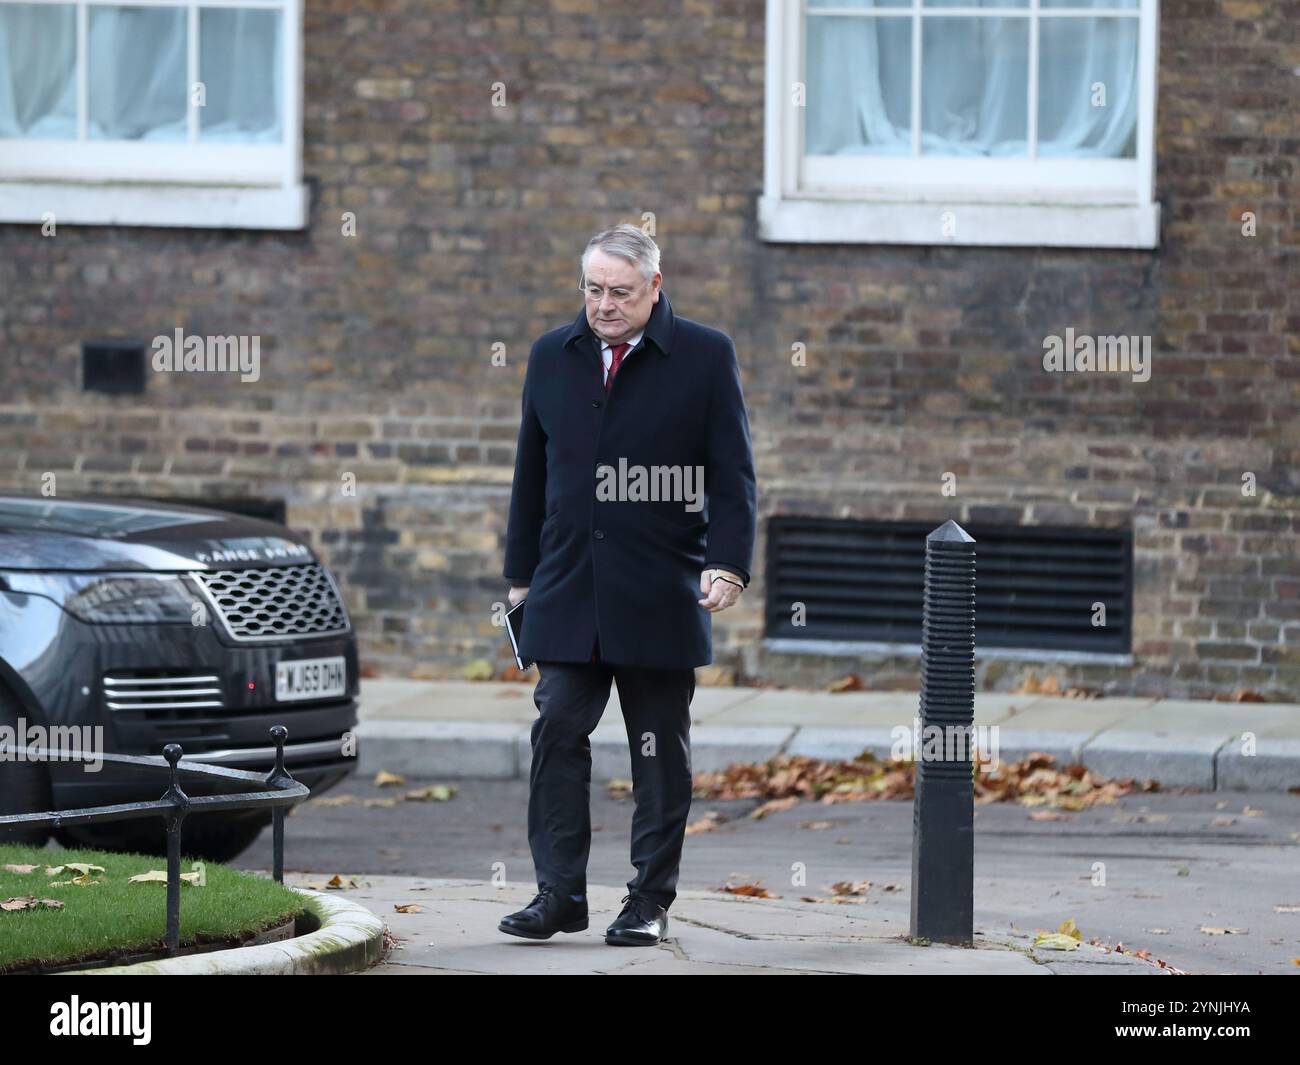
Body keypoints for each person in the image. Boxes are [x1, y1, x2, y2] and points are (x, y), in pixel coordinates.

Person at [499, 223, 757, 945]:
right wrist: (520, 578)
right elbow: (531, 473)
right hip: (567, 587)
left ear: (654, 287)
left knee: (656, 749)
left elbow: (733, 474)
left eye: (619, 291)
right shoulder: (553, 354)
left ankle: (647, 899)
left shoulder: (706, 355)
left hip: (660, 588)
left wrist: (728, 563)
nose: (603, 304)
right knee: (556, 728)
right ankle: (558, 894)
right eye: (592, 289)